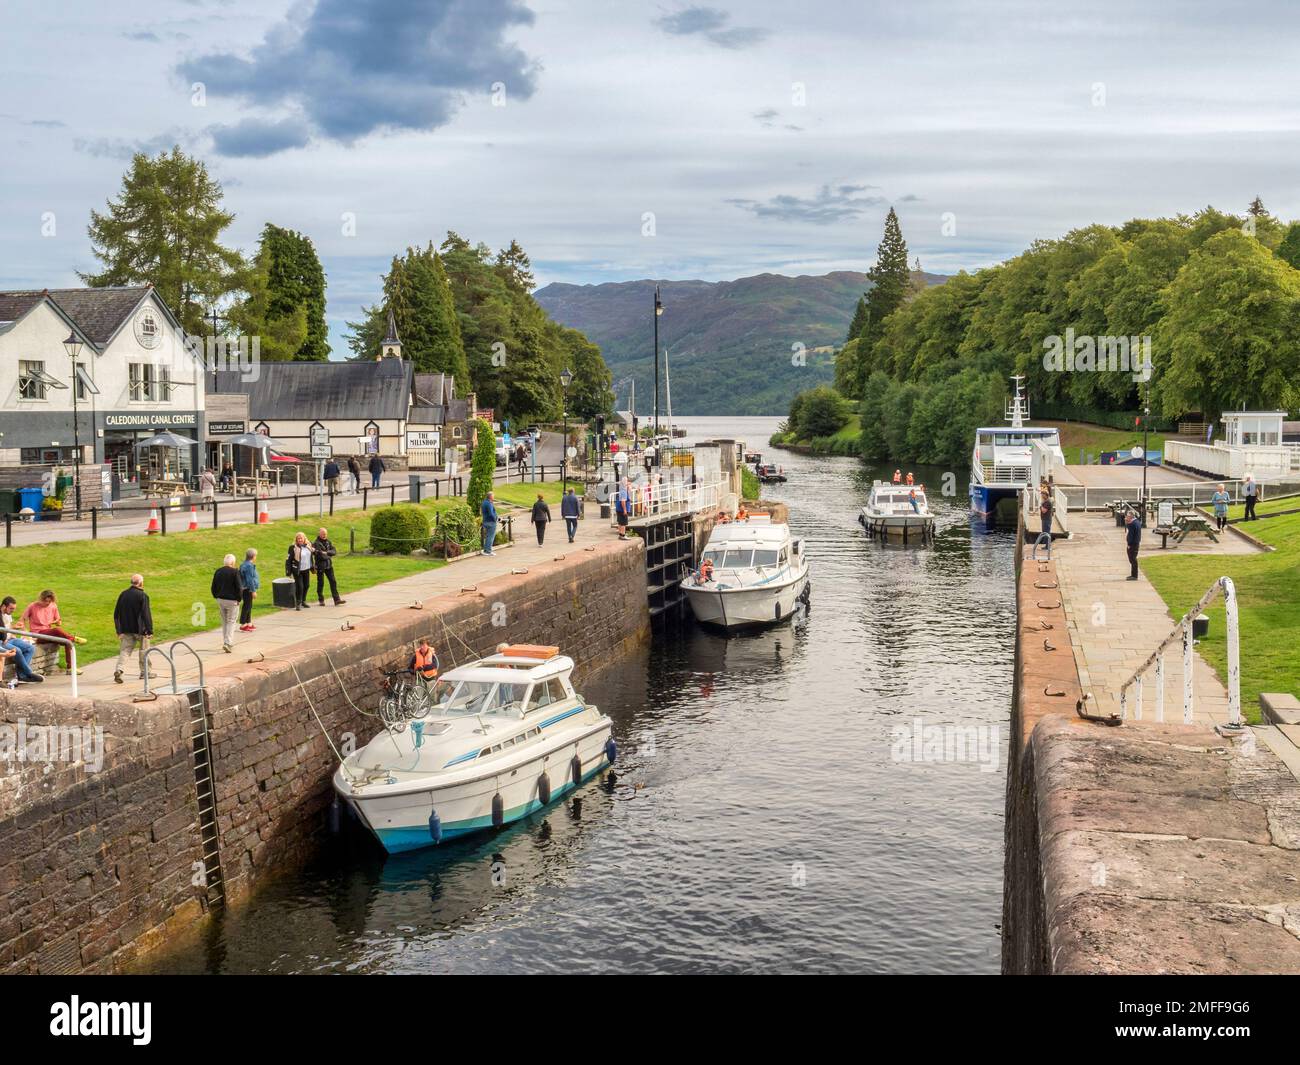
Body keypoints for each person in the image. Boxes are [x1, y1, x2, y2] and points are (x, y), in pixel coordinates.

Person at [21, 590, 85, 674]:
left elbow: (59, 622)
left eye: (49, 601)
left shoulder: (53, 606)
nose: (47, 603)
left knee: (67, 642)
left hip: (49, 633)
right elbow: (22, 620)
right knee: (57, 631)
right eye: (45, 601)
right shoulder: (32, 606)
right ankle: (73, 638)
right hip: (38, 634)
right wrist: (26, 634)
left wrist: (56, 622)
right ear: (40, 599)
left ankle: (70, 668)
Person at [111, 573, 153, 684]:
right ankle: (145, 672)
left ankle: (119, 669)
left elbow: (116, 614)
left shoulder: (123, 594)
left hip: (126, 628)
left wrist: (118, 630)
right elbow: (146, 614)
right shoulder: (143, 596)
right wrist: (149, 629)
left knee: (125, 651)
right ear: (141, 583)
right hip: (141, 629)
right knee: (144, 650)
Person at [0, 598, 42, 683]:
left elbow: (8, 627)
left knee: (30, 648)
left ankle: (21, 675)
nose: (12, 611)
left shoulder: (8, 614)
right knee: (18, 651)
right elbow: (2, 630)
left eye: (14, 609)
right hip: (2, 641)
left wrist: (13, 631)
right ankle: (29, 673)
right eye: (11, 608)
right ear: (4, 606)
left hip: (10, 638)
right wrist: (11, 631)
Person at [210, 554, 243, 653]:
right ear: (233, 563)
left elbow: (213, 587)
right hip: (232, 601)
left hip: (221, 599)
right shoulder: (234, 572)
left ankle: (226, 641)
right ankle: (228, 643)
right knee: (231, 621)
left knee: (224, 621)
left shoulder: (218, 571)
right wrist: (239, 599)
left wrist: (216, 596)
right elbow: (239, 587)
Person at [313, 528, 346, 605]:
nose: (324, 535)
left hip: (329, 566)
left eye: (325, 534)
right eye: (323, 534)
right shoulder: (316, 543)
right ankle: (321, 600)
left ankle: (337, 600)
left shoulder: (328, 542)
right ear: (319, 534)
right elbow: (321, 556)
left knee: (333, 581)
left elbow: (334, 551)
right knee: (321, 583)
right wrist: (329, 554)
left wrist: (326, 552)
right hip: (320, 566)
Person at [287, 532, 314, 609]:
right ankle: (298, 603)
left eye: (301, 538)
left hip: (306, 569)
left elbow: (313, 552)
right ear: (296, 540)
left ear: (304, 538)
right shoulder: (293, 547)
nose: (300, 540)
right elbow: (288, 560)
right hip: (297, 570)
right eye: (298, 538)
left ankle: (303, 601)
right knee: (300, 586)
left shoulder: (308, 546)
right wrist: (288, 572)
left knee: (307, 585)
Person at [238, 548, 260, 631]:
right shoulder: (249, 566)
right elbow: (249, 579)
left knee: (249, 605)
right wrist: (253, 590)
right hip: (247, 589)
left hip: (245, 588)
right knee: (247, 606)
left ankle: (249, 622)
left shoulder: (244, 564)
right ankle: (243, 624)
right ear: (253, 556)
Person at [1124, 509, 1142, 581]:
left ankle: (1134, 576)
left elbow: (1131, 535)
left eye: (1127, 516)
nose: (1126, 517)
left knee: (1132, 559)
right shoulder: (1136, 522)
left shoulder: (1132, 524)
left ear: (1131, 516)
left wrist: (1129, 544)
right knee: (1132, 559)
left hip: (1133, 544)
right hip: (1136, 543)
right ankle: (1133, 575)